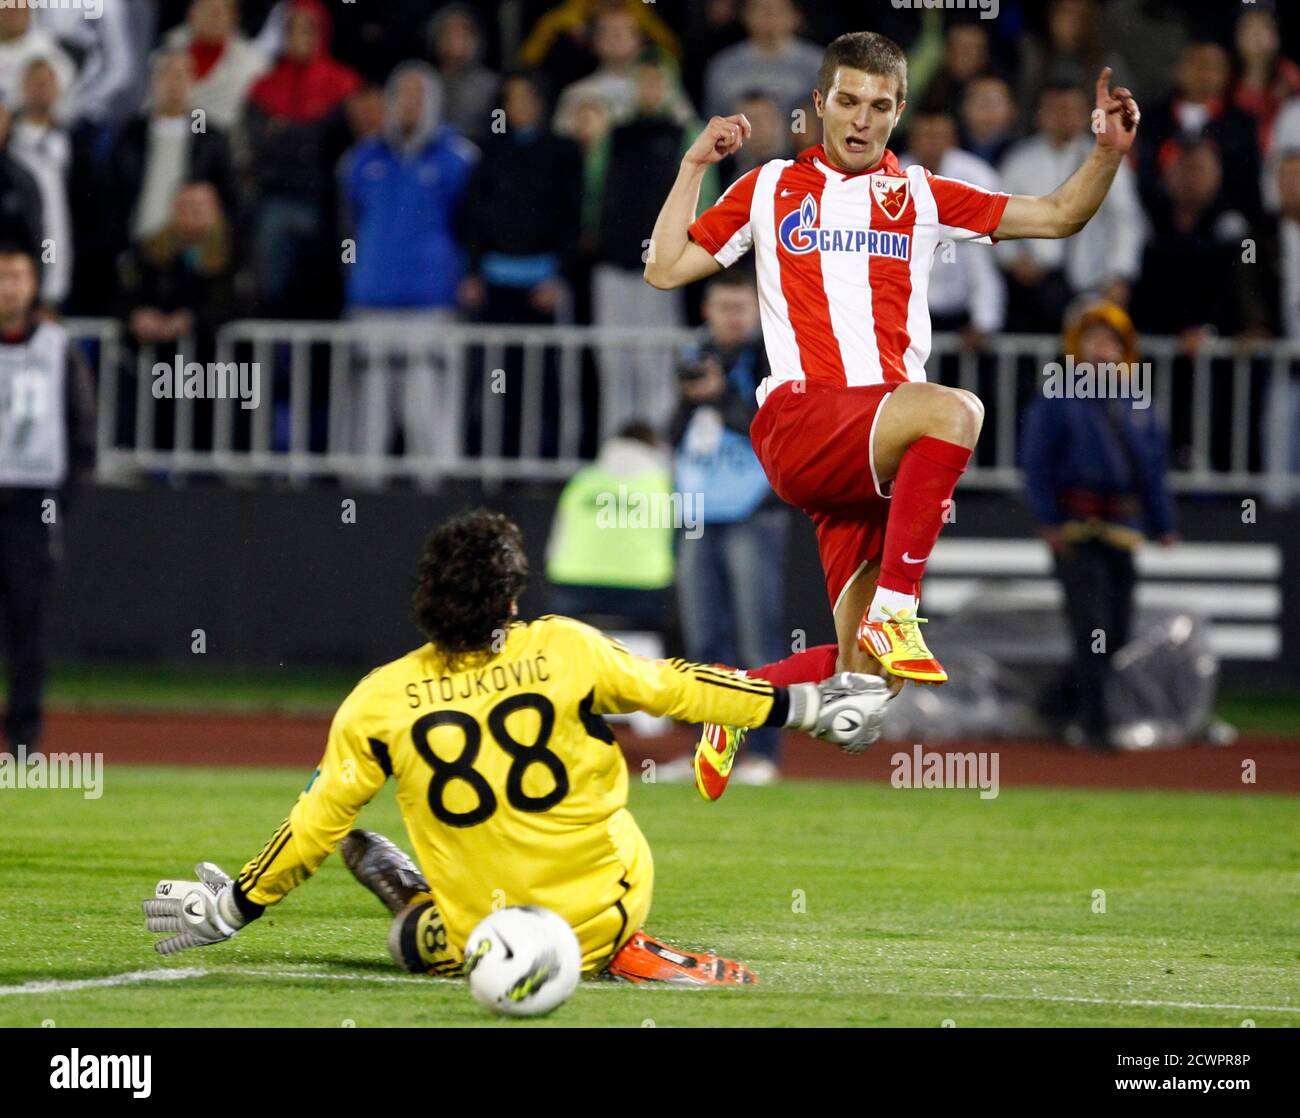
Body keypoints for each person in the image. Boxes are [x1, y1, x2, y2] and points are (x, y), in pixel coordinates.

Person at [644, 30, 1142, 800]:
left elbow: (1056, 216)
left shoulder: (919, 195)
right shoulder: (771, 186)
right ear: (819, 104)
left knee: (868, 686)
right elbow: (664, 266)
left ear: (899, 111)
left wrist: (1106, 151)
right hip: (804, 423)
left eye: (879, 106)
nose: (861, 119)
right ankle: (896, 611)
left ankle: (734, 703)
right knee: (958, 409)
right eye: (846, 100)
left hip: (876, 459)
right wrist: (694, 167)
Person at [140, 509, 890, 985]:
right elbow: (678, 688)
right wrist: (808, 705)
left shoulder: (376, 698)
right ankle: (620, 948)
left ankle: (408, 894)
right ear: (509, 597)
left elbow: (316, 823)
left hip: (479, 931)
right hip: (609, 904)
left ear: (426, 597)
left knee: (411, 945)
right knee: (594, 813)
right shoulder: (566, 648)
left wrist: (235, 906)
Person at [1019, 303, 1177, 749]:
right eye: (1093, 340)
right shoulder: (1056, 397)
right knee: (1091, 627)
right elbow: (1035, 463)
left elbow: (1153, 467)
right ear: (1077, 347)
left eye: (1109, 341)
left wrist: (1163, 522)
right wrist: (1047, 520)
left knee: (1118, 631)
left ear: (1124, 350)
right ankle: (1095, 724)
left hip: (1122, 528)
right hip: (1074, 528)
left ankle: (1055, 704)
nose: (1100, 349)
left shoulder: (1137, 399)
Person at [659, 269, 790, 789]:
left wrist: (719, 397)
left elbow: (771, 427)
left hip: (754, 514)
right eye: (723, 308)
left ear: (757, 311)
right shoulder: (697, 356)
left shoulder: (773, 356)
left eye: (741, 308)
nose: (732, 318)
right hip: (697, 513)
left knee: (758, 638)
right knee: (704, 639)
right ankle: (712, 750)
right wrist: (692, 396)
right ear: (706, 311)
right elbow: (673, 432)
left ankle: (764, 753)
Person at [337, 61, 477, 488]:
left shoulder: (459, 158)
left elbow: (471, 226)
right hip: (371, 302)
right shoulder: (360, 160)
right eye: (402, 95)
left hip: (430, 304)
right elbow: (347, 227)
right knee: (367, 416)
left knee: (426, 414)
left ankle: (433, 496)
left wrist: (462, 277)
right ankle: (357, 500)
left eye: (419, 95)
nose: (410, 104)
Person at [0, 244, 95, 756]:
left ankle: (22, 737)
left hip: (32, 501)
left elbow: (82, 430)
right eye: (1, 277)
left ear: (33, 285)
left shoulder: (57, 348)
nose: (9, 287)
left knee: (28, 624)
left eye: (17, 276)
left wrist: (61, 498)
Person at [998, 81, 1143, 327]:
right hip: (1033, 288)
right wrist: (1013, 259)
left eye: (1072, 109)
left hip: (1093, 285)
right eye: (1056, 109)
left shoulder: (1107, 159)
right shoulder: (1018, 161)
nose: (1064, 117)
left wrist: (1119, 275)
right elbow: (997, 214)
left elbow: (1125, 220)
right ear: (1040, 115)